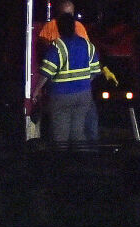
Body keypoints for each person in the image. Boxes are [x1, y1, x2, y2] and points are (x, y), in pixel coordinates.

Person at [31, 11, 101, 146]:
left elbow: (47, 72)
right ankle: (80, 157)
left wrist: (36, 90)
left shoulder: (57, 46)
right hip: (83, 96)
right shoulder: (87, 45)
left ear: (59, 28)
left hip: (61, 97)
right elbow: (95, 71)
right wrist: (82, 83)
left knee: (60, 135)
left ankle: (63, 159)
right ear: (74, 27)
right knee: (78, 133)